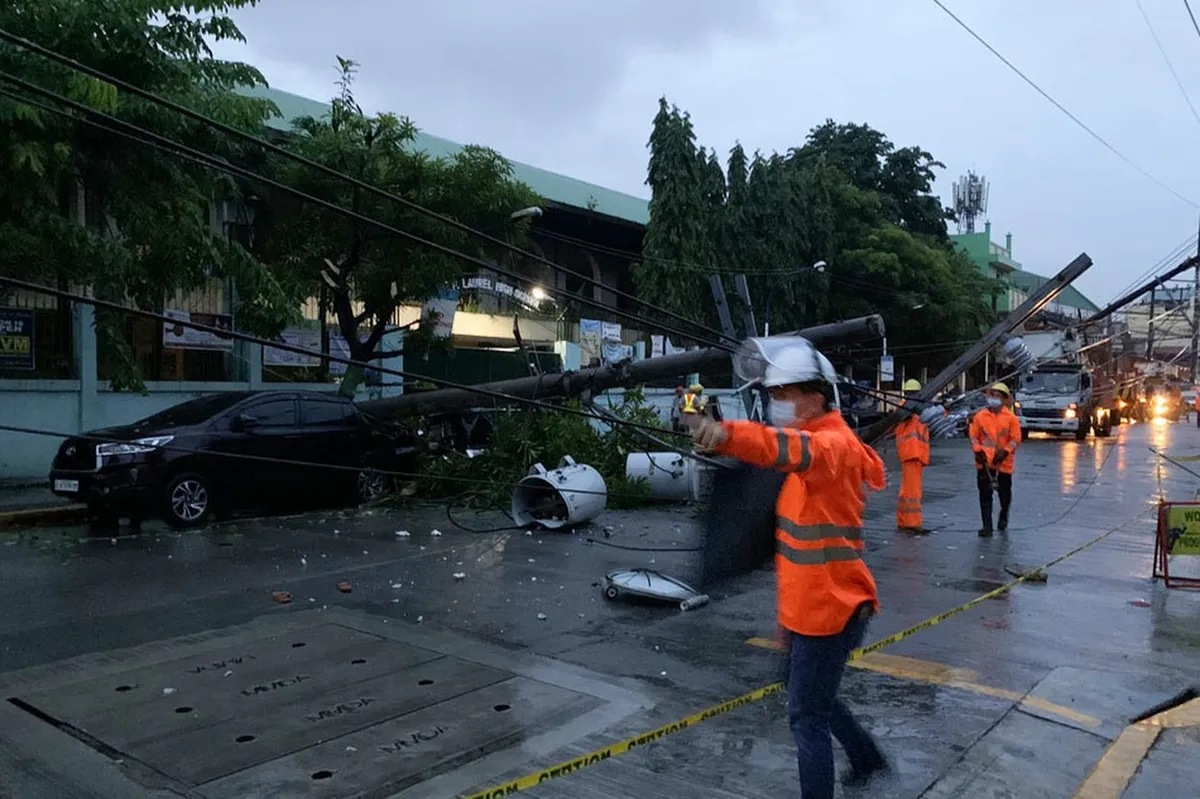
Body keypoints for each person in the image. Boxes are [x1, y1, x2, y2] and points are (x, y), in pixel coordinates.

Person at [689, 338, 889, 797]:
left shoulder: (832, 447)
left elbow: (786, 449)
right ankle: (867, 757)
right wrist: (787, 624)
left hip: (831, 612)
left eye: (783, 395)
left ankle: (854, 767)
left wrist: (729, 435)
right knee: (810, 699)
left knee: (806, 719)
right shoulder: (814, 445)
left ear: (816, 394)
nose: (776, 405)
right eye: (773, 396)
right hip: (808, 611)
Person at [969, 382, 1021, 537]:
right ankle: (987, 526)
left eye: (998, 396)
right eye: (993, 396)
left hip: (1003, 464)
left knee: (1004, 495)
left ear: (1004, 399)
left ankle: (1003, 516)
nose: (994, 399)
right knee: (985, 494)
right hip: (984, 463)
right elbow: (973, 436)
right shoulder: (980, 417)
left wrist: (1005, 452)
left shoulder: (1011, 418)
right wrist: (978, 451)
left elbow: (1016, 438)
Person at [895, 379, 931, 534]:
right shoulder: (908, 409)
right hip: (913, 453)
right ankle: (912, 523)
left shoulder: (908, 409)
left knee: (907, 491)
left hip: (912, 454)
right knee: (913, 493)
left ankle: (904, 520)